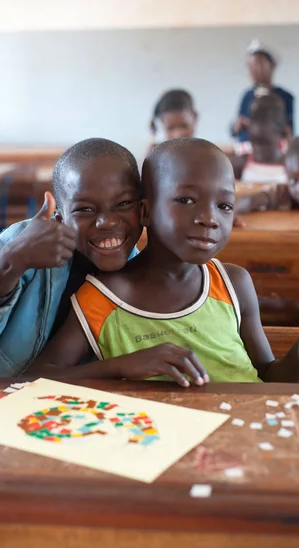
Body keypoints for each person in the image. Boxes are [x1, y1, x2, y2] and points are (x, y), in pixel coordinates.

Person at [31, 138, 299, 386]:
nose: (209, 218)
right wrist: (120, 367)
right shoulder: (103, 299)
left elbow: (269, 376)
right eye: (186, 200)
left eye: (225, 206)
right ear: (145, 211)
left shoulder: (233, 284)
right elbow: (38, 377)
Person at [0, 138, 143, 397]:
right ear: (59, 217)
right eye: (84, 209)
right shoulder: (23, 242)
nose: (105, 222)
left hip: (81, 411)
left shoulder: (143, 272)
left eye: (124, 204)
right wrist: (11, 262)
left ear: (143, 208)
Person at [232, 40, 294, 143]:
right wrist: (237, 126)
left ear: (272, 65)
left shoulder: (285, 97)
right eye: (249, 65)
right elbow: (236, 129)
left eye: (258, 63)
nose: (253, 69)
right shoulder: (247, 96)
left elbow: (289, 131)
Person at [230, 95, 288, 184]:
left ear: (281, 134)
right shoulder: (241, 163)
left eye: (265, 143)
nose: (258, 149)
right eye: (254, 142)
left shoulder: (291, 165)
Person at [236, 136, 299, 213]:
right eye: (293, 180)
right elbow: (247, 202)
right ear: (286, 174)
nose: (298, 188)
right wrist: (231, 213)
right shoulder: (280, 193)